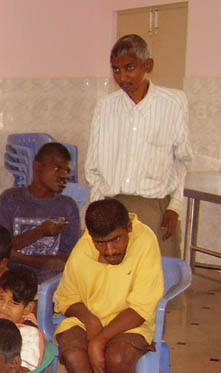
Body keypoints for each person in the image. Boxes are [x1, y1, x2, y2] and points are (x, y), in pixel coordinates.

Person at [54, 199, 162, 373]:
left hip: (130, 321)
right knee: (73, 354)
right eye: (101, 243)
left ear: (128, 227)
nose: (110, 250)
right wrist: (90, 323)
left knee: (117, 356)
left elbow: (140, 309)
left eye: (116, 240)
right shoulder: (84, 247)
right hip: (90, 318)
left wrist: (98, 340)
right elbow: (66, 298)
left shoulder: (145, 241)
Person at [86, 34, 192, 257]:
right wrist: (96, 212)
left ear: (148, 65)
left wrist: (175, 207)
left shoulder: (172, 103)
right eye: (116, 69)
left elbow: (183, 161)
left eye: (129, 67)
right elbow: (93, 167)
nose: (122, 76)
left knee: (159, 281)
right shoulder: (105, 107)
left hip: (155, 209)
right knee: (113, 281)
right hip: (112, 207)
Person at [0, 143, 81, 275]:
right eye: (57, 169)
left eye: (67, 171)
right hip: (11, 283)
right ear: (37, 167)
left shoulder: (68, 207)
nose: (64, 176)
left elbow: (65, 262)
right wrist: (40, 232)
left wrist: (19, 257)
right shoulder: (10, 199)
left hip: (50, 285)